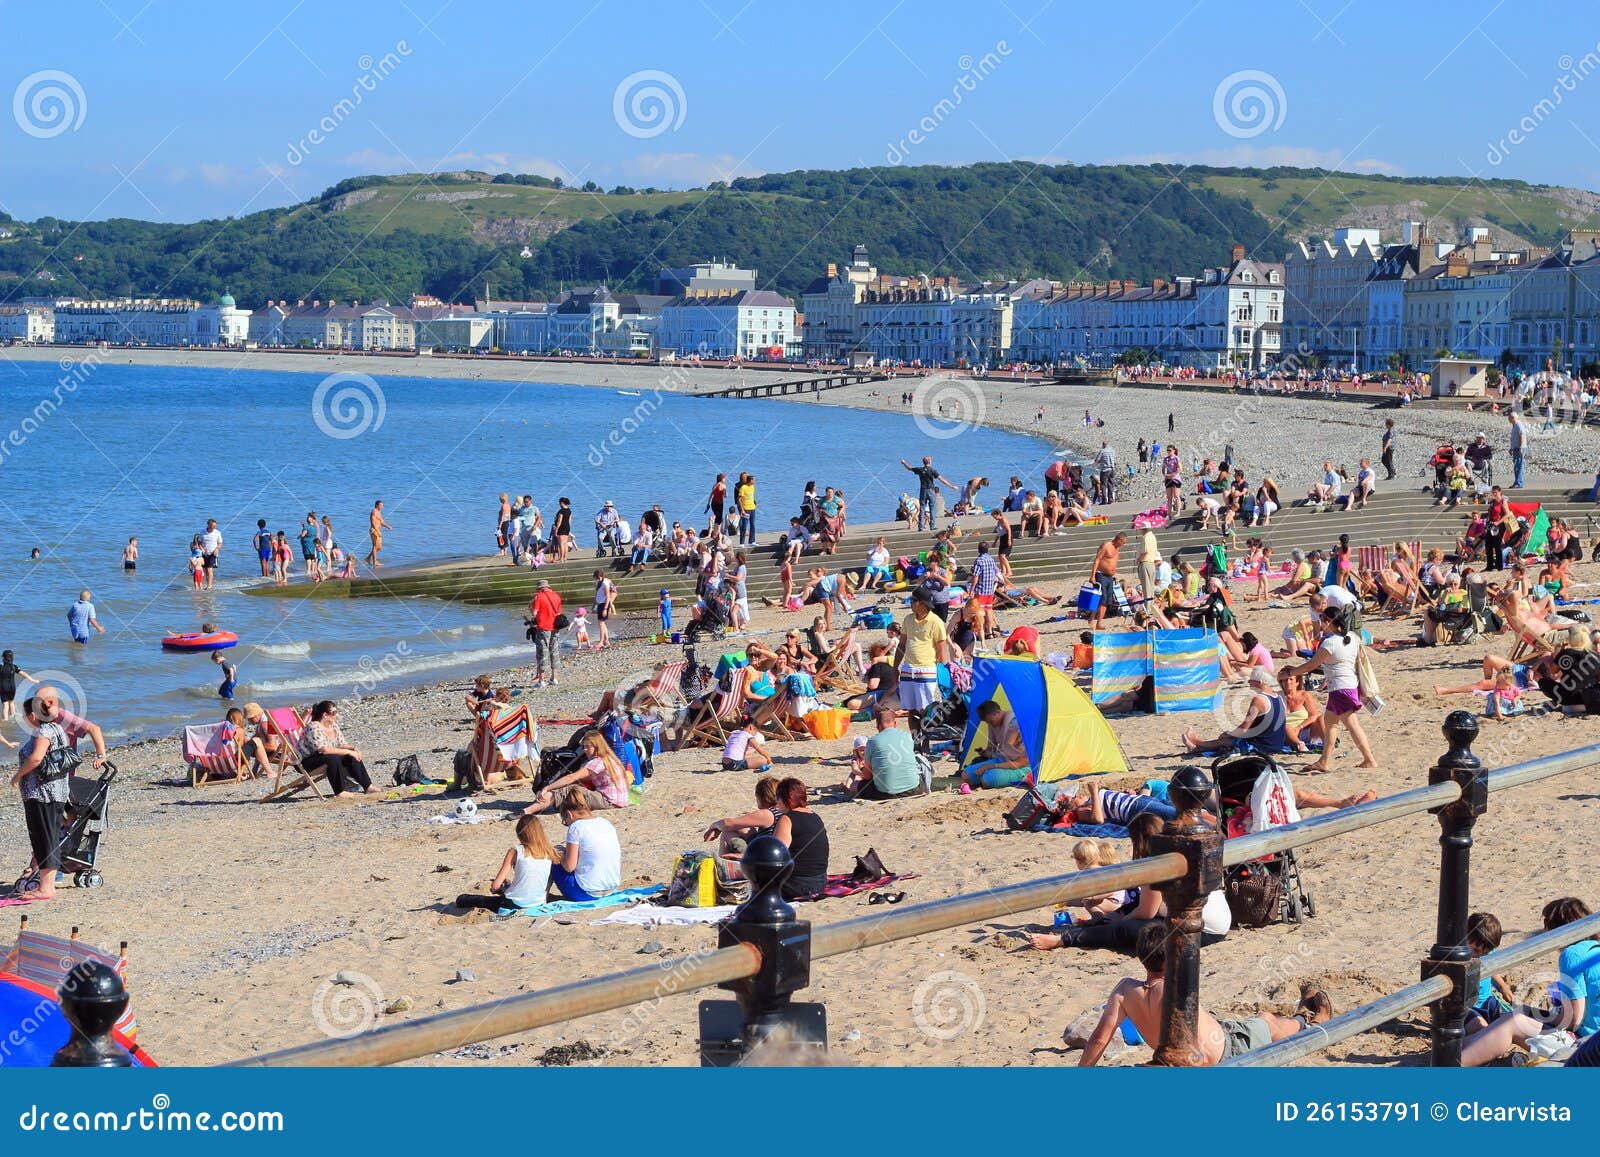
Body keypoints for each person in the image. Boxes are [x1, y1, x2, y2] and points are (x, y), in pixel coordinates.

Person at [1075, 924, 1331, 1066]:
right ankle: (1309, 1022)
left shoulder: (1124, 991)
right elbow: (1196, 1046)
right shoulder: (1176, 987)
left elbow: (1099, 1038)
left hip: (1214, 1040)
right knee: (1267, 1022)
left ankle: (1302, 1019)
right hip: (1229, 1049)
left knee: (1256, 1021)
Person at [1462, 897, 1598, 1065]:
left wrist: (1546, 1015)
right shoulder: (1594, 949)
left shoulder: (1572, 955)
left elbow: (1574, 1020)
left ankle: (1453, 1063)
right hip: (1592, 1036)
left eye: (1546, 924)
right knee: (1518, 1013)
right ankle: (1457, 1048)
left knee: (1512, 1023)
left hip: (1586, 1045)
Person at [1283, 604, 1377, 773]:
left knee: (1352, 725)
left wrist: (1291, 672)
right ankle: (1324, 761)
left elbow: (1312, 665)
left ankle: (1369, 759)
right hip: (1349, 686)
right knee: (1330, 723)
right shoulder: (1352, 637)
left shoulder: (1330, 643)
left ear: (1328, 621)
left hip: (1340, 689)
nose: (1321, 624)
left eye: (1322, 621)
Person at [10, 697, 79, 901]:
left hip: (43, 794)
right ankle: (45, 885)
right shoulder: (56, 728)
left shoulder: (43, 732)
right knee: (48, 837)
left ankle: (46, 888)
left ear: (32, 715)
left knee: (44, 839)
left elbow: (37, 758)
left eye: (25, 714)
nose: (24, 718)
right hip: (55, 792)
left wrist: (18, 775)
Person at [455, 814, 557, 911]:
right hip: (538, 902)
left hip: (514, 903)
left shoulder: (516, 851)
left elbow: (495, 885)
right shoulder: (549, 851)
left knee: (465, 899)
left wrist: (499, 889)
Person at [1182, 668, 1288, 754]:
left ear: (1260, 682)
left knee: (1225, 740)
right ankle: (1197, 747)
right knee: (1229, 738)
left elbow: (1243, 729)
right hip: (1277, 744)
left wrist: (1229, 733)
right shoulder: (1279, 697)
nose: (1249, 682)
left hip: (1263, 746)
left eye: (1251, 680)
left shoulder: (1259, 699)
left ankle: (1198, 743)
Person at [529, 732, 633, 814]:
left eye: (588, 747)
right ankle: (541, 805)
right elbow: (585, 778)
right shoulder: (609, 758)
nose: (585, 750)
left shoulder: (597, 761)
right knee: (573, 789)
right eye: (584, 747)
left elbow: (572, 777)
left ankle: (528, 810)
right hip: (621, 800)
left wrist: (547, 787)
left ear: (597, 747)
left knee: (569, 789)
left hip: (609, 800)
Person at [298, 700, 378, 797]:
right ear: (325, 715)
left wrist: (353, 748)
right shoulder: (313, 727)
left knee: (351, 754)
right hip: (305, 761)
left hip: (323, 757)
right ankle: (340, 791)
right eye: (334, 713)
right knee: (333, 758)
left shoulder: (333, 725)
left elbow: (342, 744)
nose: (337, 715)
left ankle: (368, 786)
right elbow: (323, 750)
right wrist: (347, 752)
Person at [843, 708, 927, 800]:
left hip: (885, 793)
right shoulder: (907, 736)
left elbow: (867, 776)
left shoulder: (873, 742)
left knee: (854, 785)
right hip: (914, 789)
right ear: (895, 724)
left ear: (877, 726)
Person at [549, 794, 621, 901]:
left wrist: (558, 856)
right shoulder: (605, 822)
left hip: (586, 893)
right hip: (612, 888)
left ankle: (541, 897)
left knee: (551, 854)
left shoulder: (576, 827)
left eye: (565, 821)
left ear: (569, 814)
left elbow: (569, 867)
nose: (567, 824)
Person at [894, 590, 948, 732]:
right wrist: (895, 667)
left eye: (913, 601)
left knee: (925, 709)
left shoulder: (936, 621)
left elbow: (941, 649)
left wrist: (943, 674)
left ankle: (924, 741)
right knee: (911, 710)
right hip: (907, 669)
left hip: (926, 669)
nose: (910, 603)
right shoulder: (908, 619)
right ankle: (915, 742)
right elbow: (902, 645)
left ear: (921, 603)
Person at [702, 775, 784, 861]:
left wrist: (714, 826)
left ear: (761, 796)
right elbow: (737, 824)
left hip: (764, 857)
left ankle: (724, 864)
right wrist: (719, 828)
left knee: (726, 833)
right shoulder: (782, 811)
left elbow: (728, 824)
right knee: (743, 828)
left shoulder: (767, 814)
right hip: (772, 851)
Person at [772, 778, 828, 899]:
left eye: (778, 796)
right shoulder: (815, 816)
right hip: (821, 882)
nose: (776, 801)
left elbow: (775, 854)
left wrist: (744, 858)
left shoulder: (787, 819)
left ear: (789, 797)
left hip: (798, 885)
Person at [900, 456, 954, 532]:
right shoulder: (932, 470)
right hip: (931, 490)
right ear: (930, 461)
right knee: (932, 508)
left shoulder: (920, 469)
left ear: (923, 462)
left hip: (923, 490)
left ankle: (921, 526)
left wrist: (904, 463)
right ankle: (932, 525)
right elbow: (942, 480)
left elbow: (909, 468)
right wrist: (951, 486)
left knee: (922, 508)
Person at [1087, 533, 1126, 630]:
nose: (1123, 545)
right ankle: (1096, 622)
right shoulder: (1106, 546)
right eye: (1123, 542)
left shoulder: (1117, 548)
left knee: (1107, 601)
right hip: (1101, 575)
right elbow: (1097, 560)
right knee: (1101, 599)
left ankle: (1095, 620)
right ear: (1119, 539)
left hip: (1110, 577)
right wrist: (1092, 576)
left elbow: (1113, 562)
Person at [528, 579, 563, 689]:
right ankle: (554, 678)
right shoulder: (557, 596)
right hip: (555, 627)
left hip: (543, 627)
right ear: (548, 587)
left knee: (542, 653)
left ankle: (541, 680)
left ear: (539, 589)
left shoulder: (539, 596)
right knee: (554, 651)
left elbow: (534, 613)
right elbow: (558, 613)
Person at [967, 541, 1000, 642]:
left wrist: (971, 589)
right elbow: (996, 572)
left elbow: (976, 576)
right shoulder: (991, 559)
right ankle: (989, 632)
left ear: (978, 549)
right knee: (989, 610)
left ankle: (980, 631)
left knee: (979, 612)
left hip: (981, 590)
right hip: (990, 590)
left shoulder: (979, 560)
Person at [0, 650, 34, 724]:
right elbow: (23, 673)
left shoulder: (1, 667)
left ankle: (5, 720)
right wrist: (32, 679)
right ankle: (13, 716)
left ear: (3, 658)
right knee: (11, 702)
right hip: (12, 688)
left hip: (3, 688)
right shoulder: (14, 667)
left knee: (5, 705)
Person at [592, 569, 616, 650]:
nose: (598, 579)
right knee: (601, 623)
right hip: (599, 604)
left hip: (604, 604)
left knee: (601, 623)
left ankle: (601, 642)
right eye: (597, 578)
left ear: (602, 576)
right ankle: (606, 640)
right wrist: (594, 604)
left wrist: (606, 609)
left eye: (599, 577)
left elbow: (608, 597)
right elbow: (597, 594)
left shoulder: (605, 583)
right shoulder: (597, 582)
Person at [366, 500, 391, 568]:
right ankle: (374, 562)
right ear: (377, 505)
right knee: (375, 546)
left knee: (379, 547)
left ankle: (368, 558)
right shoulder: (374, 511)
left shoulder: (379, 512)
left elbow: (381, 522)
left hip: (377, 530)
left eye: (382, 505)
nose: (382, 506)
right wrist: (377, 530)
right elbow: (373, 522)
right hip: (374, 530)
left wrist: (387, 526)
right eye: (381, 505)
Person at [199, 518, 223, 589]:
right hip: (204, 554)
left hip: (213, 553)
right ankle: (206, 585)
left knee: (209, 569)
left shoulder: (217, 532)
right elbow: (199, 542)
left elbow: (220, 543)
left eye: (215, 526)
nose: (214, 527)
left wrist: (217, 549)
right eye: (213, 526)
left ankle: (209, 586)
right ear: (208, 525)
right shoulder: (202, 532)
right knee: (205, 570)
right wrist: (202, 548)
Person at [1508, 409, 1526, 488]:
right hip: (1515, 448)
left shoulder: (1519, 425)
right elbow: (1513, 438)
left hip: (1519, 448)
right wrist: (1511, 448)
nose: (1509, 419)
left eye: (1510, 418)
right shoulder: (1514, 425)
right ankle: (1516, 482)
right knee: (1516, 466)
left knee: (1519, 465)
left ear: (1513, 418)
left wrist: (1521, 448)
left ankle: (1519, 483)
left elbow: (1522, 436)